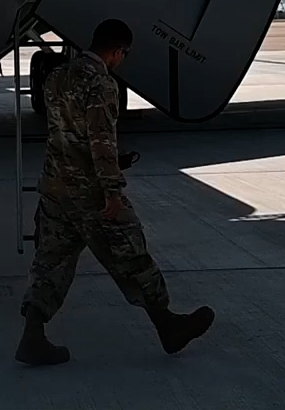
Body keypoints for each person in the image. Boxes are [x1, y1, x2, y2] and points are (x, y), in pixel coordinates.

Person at [17, 18, 214, 366]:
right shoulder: (101, 84)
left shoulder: (55, 78)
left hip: (55, 188)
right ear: (117, 51)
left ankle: (32, 335)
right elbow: (100, 141)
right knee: (132, 256)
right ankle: (168, 325)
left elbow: (66, 134)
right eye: (123, 55)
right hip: (90, 194)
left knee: (50, 263)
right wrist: (112, 192)